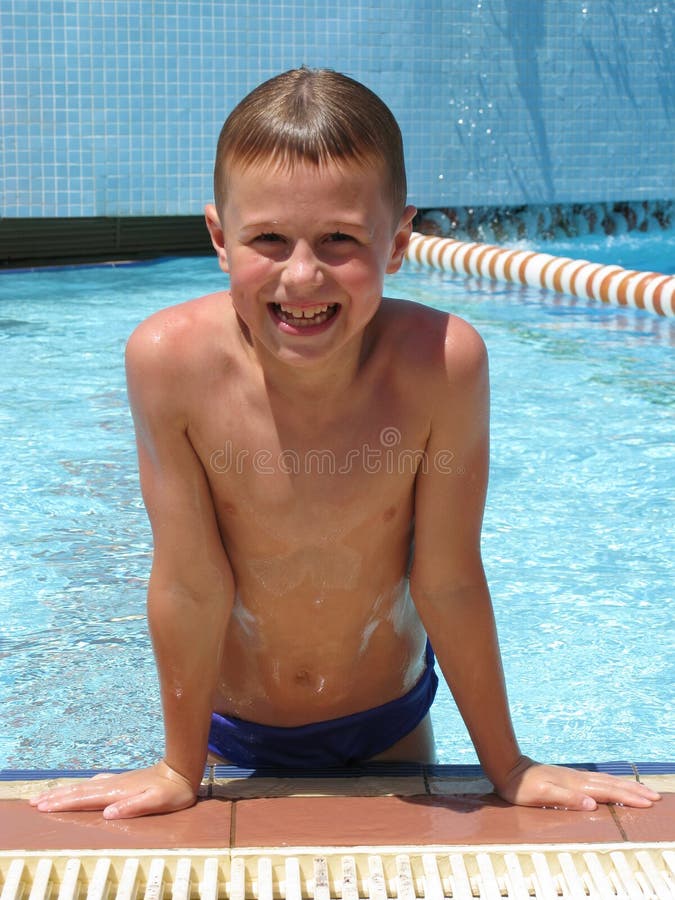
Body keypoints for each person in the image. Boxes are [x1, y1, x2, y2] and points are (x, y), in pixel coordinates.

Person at [32, 67, 659, 819]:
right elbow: (190, 579)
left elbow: (449, 575)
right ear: (218, 239)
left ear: (397, 243)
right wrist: (177, 765)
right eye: (268, 238)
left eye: (339, 240)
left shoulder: (442, 365)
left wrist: (510, 765)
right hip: (226, 728)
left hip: (387, 723)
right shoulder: (169, 363)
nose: (303, 275)